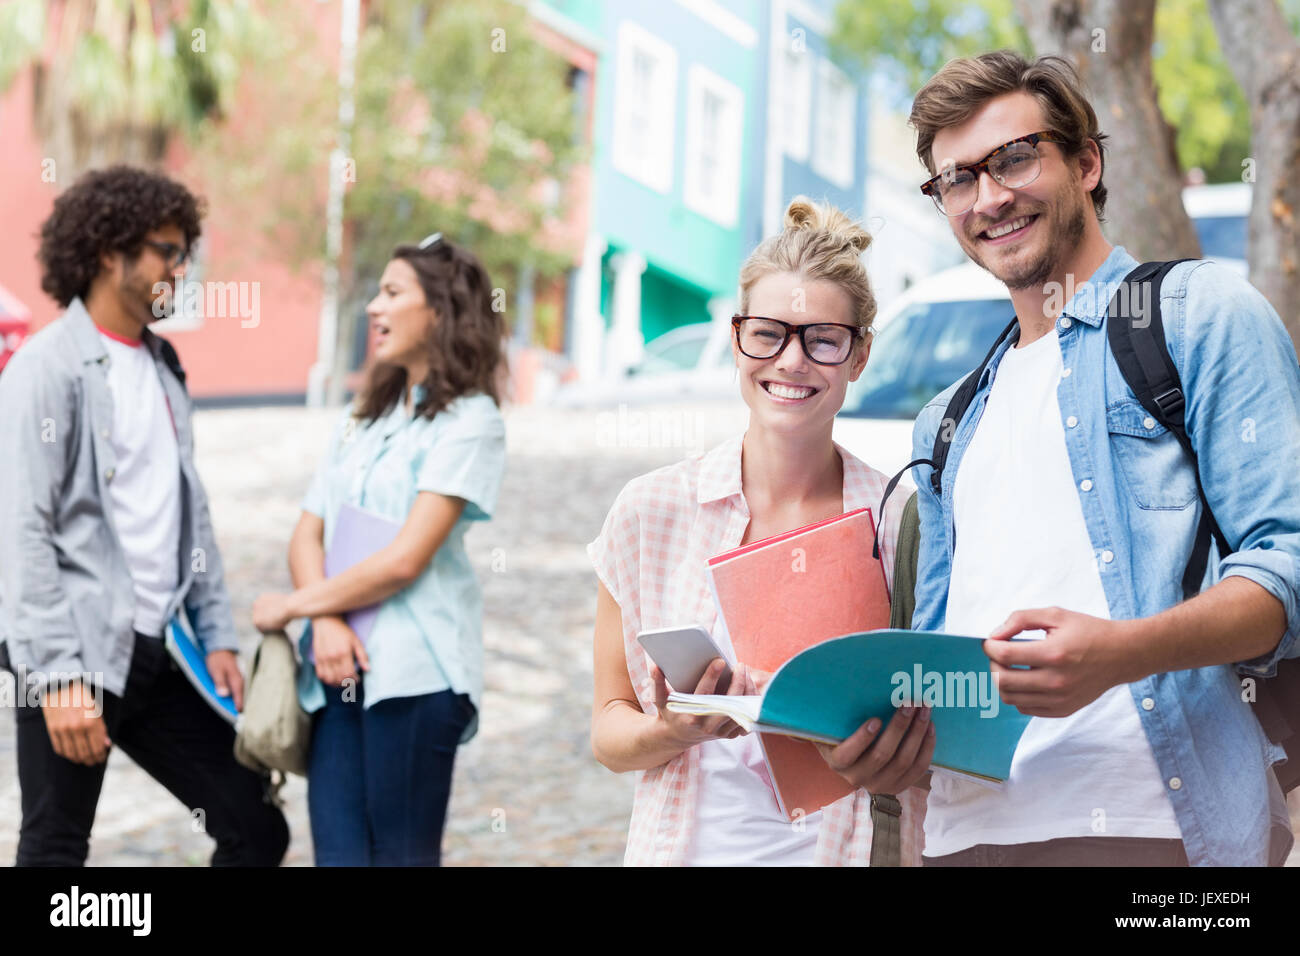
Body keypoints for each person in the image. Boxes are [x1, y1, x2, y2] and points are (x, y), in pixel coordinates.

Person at [905, 50, 1300, 866]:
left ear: (1086, 162)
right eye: (958, 179)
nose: (990, 197)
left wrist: (1121, 652)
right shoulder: (946, 421)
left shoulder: (1199, 316)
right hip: (964, 834)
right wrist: (886, 741)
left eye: (1014, 157)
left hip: (1153, 829)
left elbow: (1289, 568)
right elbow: (932, 656)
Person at [588, 198, 933, 866]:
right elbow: (609, 727)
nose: (792, 361)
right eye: (768, 333)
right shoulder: (649, 512)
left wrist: (894, 752)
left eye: (823, 339)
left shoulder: (903, 525)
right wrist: (673, 728)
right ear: (737, 337)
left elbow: (941, 741)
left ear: (860, 355)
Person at [0, 165, 289, 866]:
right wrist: (58, 675)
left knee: (254, 828)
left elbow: (190, 510)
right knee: (56, 847)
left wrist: (217, 633)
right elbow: (21, 529)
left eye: (184, 252)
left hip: (153, 653)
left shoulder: (164, 368)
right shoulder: (48, 369)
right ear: (109, 251)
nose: (180, 267)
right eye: (166, 250)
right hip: (74, 652)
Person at [251, 233, 506, 866]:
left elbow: (404, 560)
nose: (373, 307)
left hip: (414, 675)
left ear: (441, 311)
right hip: (334, 668)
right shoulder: (362, 417)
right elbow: (308, 532)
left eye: (392, 293)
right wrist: (325, 620)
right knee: (338, 858)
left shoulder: (472, 422)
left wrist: (293, 607)